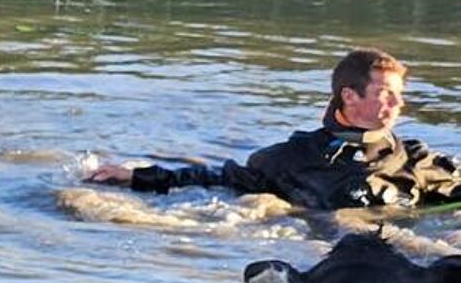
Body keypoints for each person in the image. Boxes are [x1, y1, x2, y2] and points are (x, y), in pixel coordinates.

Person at [87, 48, 461, 209]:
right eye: (385, 94)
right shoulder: (294, 158)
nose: (398, 104)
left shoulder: (415, 159)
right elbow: (221, 178)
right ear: (349, 95)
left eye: (399, 95)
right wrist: (136, 177)